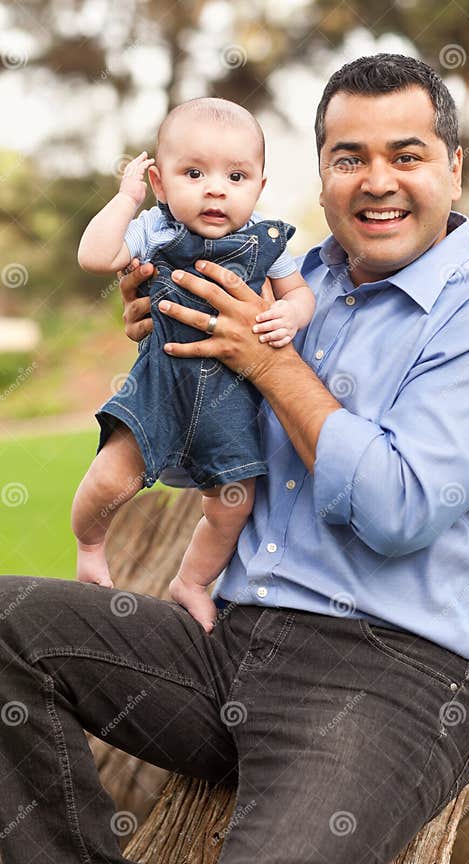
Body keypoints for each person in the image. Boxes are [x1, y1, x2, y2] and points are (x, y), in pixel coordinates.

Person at [0, 53, 469, 864]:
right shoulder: (285, 281)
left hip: (393, 678)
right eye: (349, 158)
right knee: (10, 628)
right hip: (228, 645)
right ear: (320, 174)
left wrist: (268, 363)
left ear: (455, 169)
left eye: (406, 155)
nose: (377, 181)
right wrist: (169, 325)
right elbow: (209, 427)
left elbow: (399, 509)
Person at [72, 98, 315, 633]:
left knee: (233, 501)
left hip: (230, 399)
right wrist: (124, 201)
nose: (216, 188)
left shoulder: (269, 241)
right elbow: (94, 257)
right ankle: (91, 545)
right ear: (160, 184)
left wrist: (289, 315)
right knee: (111, 478)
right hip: (160, 385)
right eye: (194, 173)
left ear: (259, 184)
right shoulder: (153, 230)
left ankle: (193, 580)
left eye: (236, 175)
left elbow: (300, 294)